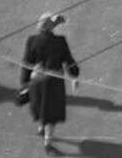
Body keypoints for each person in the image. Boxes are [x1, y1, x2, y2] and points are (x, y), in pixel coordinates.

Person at [18, 12, 81, 154]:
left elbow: (26, 64)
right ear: (52, 27)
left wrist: (24, 84)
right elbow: (69, 62)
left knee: (41, 107)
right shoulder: (60, 41)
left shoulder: (32, 40)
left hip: (36, 82)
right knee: (51, 113)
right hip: (53, 83)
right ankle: (48, 142)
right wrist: (74, 77)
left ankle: (41, 128)